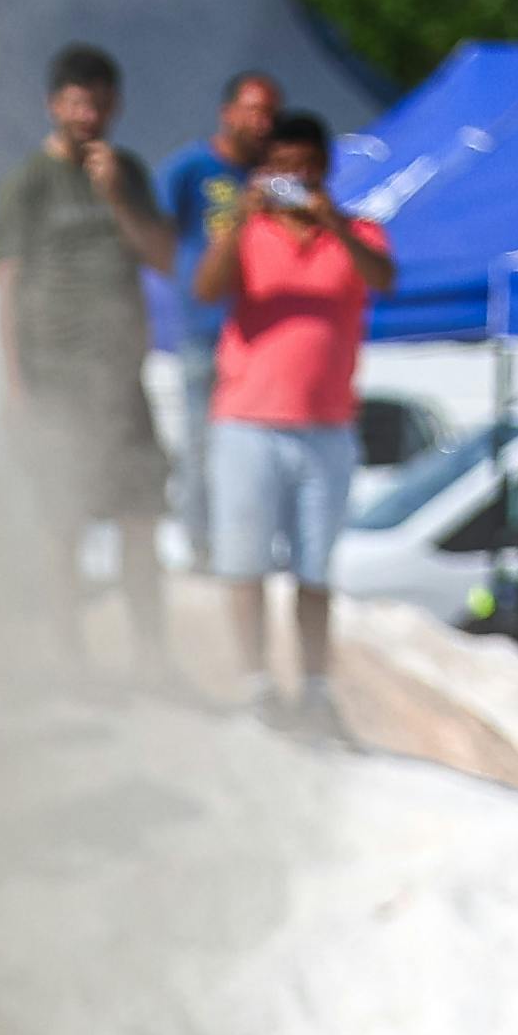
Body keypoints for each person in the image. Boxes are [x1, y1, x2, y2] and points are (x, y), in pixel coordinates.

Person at [189, 106, 390, 731]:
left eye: (300, 169)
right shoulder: (248, 234)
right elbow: (204, 290)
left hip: (327, 425)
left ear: (323, 169)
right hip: (247, 420)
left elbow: (382, 279)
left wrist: (336, 224)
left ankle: (315, 687)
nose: (290, 180)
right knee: (243, 560)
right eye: (278, 169)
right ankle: (255, 683)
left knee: (313, 567)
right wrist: (241, 219)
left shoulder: (358, 232)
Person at [0, 39, 182, 676]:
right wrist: (15, 386)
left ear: (115, 106)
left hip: (120, 381)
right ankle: (68, 656)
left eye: (98, 105)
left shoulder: (129, 173)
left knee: (139, 518)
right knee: (61, 523)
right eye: (76, 104)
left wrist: (118, 196)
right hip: (55, 381)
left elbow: (162, 258)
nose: (87, 117)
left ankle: (151, 656)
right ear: (54, 105)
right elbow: (7, 286)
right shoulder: (28, 184)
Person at [157, 70, 288, 538]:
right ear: (228, 113)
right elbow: (155, 233)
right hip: (206, 331)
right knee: (200, 446)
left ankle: (250, 545)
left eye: (271, 113)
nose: (263, 123)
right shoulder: (191, 168)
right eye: (254, 110)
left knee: (258, 449)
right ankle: (200, 548)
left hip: (263, 336)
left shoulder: (277, 175)